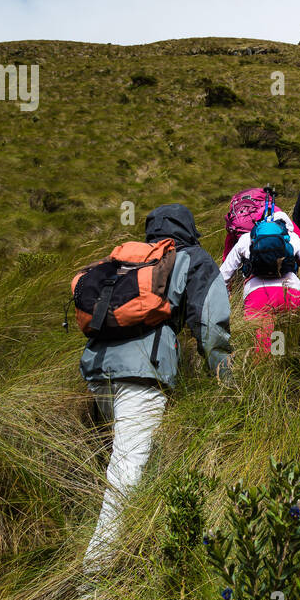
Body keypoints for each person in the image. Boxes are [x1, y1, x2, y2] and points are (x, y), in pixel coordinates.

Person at [76, 204, 231, 576]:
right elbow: (211, 323)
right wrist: (226, 381)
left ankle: (127, 560)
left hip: (98, 373)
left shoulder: (126, 261)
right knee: (125, 474)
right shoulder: (190, 258)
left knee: (127, 464)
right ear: (189, 229)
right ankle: (92, 584)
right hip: (142, 377)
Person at [221, 194, 300, 353]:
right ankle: (287, 370)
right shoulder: (292, 237)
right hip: (290, 292)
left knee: (262, 350)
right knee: (290, 345)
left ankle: (267, 373)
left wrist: (227, 292)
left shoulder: (246, 238)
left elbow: (223, 274)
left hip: (256, 296)